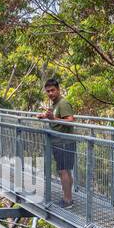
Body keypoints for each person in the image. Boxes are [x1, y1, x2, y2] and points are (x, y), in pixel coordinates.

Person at [38, 77, 76, 207]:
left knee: (63, 171)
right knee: (64, 170)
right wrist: (46, 116)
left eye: (52, 90)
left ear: (58, 90)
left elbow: (70, 120)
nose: (50, 93)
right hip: (59, 142)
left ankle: (67, 200)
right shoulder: (55, 104)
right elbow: (57, 118)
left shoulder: (63, 103)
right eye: (48, 91)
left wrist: (53, 118)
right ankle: (68, 198)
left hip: (65, 142)